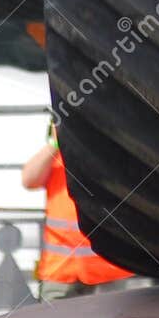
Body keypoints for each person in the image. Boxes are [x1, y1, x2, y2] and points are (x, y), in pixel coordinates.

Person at [23, 119, 131, 293]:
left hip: (107, 271)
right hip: (61, 272)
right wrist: (54, 144)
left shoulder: (108, 154)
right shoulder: (55, 156)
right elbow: (29, 180)